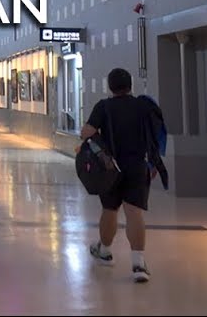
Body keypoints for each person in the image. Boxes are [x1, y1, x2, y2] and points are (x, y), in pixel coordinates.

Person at [80, 67, 166, 283]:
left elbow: (86, 133)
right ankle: (138, 264)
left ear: (110, 86)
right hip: (138, 165)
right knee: (135, 213)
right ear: (130, 86)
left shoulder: (104, 107)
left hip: (111, 167)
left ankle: (105, 251)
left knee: (109, 210)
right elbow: (154, 135)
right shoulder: (143, 106)